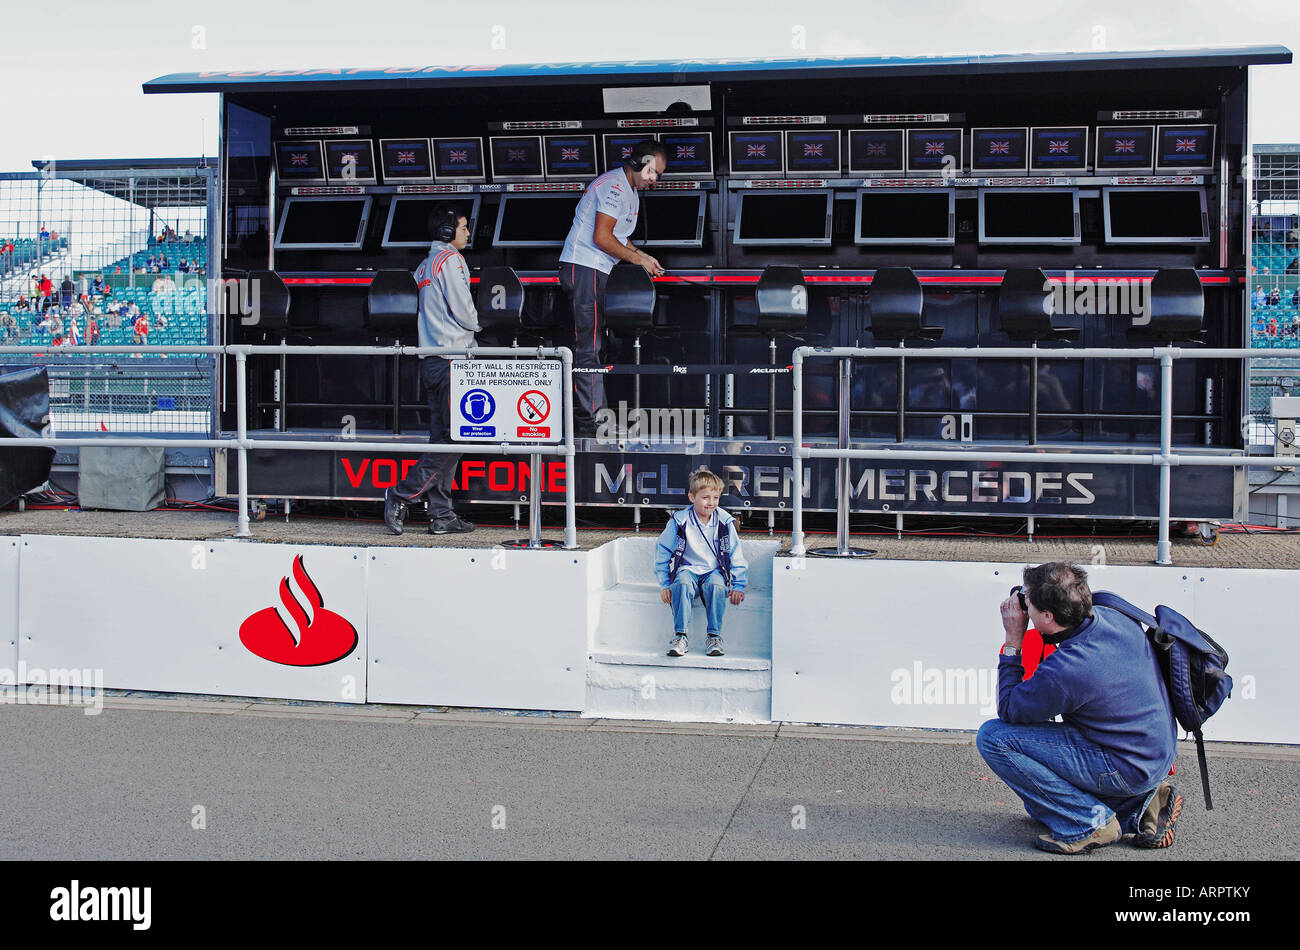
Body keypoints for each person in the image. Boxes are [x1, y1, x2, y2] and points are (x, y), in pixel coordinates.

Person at [975, 562, 1181, 855]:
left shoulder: (1069, 667)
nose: (1024, 610)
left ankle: (1088, 822)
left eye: (1028, 604)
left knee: (994, 739)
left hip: (1125, 765)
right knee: (1038, 802)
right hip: (1151, 751)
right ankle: (1142, 805)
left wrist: (1013, 640)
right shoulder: (1113, 612)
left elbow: (1009, 710)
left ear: (1047, 616)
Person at [558, 138, 667, 436]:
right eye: (653, 172)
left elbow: (620, 237)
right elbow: (602, 238)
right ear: (639, 163)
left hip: (596, 269)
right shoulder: (613, 185)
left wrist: (644, 258)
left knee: (597, 345)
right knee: (589, 346)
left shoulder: (629, 191)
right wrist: (636, 261)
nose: (654, 179)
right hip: (585, 266)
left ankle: (593, 417)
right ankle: (592, 421)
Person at [382, 204, 479, 536]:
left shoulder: (425, 264)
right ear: (446, 232)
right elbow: (464, 311)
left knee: (443, 439)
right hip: (453, 360)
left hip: (433, 361)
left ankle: (441, 515)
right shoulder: (450, 260)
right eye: (463, 227)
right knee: (455, 439)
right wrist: (479, 325)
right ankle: (400, 494)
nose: (467, 232)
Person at [654, 469, 748, 658]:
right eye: (705, 497)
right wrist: (665, 584)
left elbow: (735, 554)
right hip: (687, 570)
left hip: (713, 571)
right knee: (681, 583)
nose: (711, 502)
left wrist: (738, 585)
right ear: (692, 497)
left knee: (715, 585)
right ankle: (680, 636)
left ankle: (714, 637)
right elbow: (662, 551)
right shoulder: (680, 521)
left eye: (715, 497)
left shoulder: (724, 522)